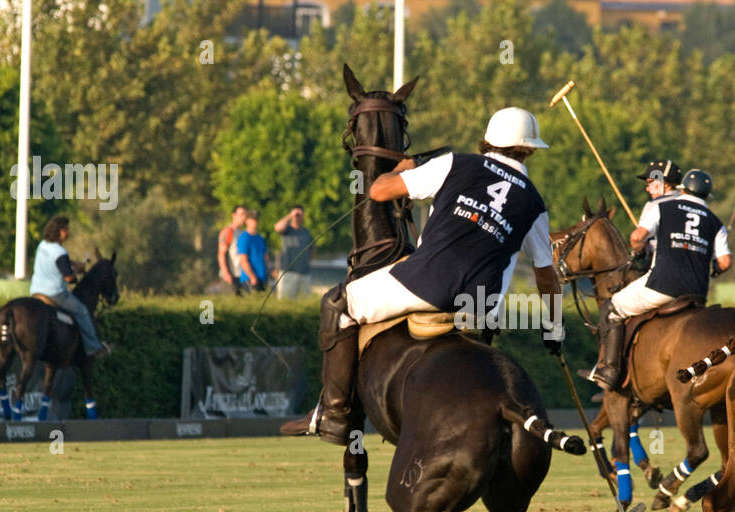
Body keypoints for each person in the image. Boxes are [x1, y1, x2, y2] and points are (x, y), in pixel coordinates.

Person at [282, 107, 563, 444]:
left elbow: (379, 192)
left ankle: (334, 413)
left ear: (486, 141)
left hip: (425, 285)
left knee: (338, 304)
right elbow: (546, 277)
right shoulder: (534, 203)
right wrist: (554, 328)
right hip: (481, 308)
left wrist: (406, 169)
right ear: (529, 149)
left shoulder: (456, 163)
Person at [591, 168, 730, 390]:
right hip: (696, 293)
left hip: (662, 285)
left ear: (682, 189)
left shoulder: (662, 207)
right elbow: (725, 262)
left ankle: (610, 370)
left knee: (611, 308)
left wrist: (638, 250)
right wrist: (715, 269)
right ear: (707, 196)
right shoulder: (716, 222)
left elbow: (637, 236)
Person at [30, 216, 110, 359]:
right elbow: (69, 278)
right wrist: (77, 273)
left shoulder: (42, 245)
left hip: (36, 290)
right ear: (58, 231)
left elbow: (61, 263)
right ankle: (93, 347)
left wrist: (75, 264)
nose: (68, 232)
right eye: (65, 229)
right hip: (54, 293)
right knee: (82, 311)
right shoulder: (60, 253)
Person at [633, 160, 682, 266]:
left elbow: (638, 241)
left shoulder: (654, 205)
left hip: (660, 266)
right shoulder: (688, 202)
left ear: (666, 185)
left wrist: (639, 251)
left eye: (651, 183)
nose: (647, 188)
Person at [274, 205, 315, 300]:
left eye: (300, 214)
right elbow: (277, 227)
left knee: (304, 302)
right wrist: (290, 216)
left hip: (304, 273)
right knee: (285, 301)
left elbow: (312, 249)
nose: (298, 216)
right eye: (296, 214)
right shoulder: (287, 230)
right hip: (288, 273)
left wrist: (308, 262)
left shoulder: (306, 232)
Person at [234, 211, 269, 292]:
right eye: (252, 219)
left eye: (256, 219)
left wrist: (269, 272)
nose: (255, 221)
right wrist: (252, 276)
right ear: (247, 221)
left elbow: (265, 258)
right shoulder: (244, 238)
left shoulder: (260, 238)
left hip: (262, 278)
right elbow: (243, 260)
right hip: (250, 280)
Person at [217, 204, 248, 294]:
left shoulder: (244, 233)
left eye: (245, 215)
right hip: (230, 276)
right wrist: (226, 273)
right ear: (234, 215)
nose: (244, 217)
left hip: (242, 276)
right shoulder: (228, 231)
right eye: (241, 214)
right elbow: (222, 253)